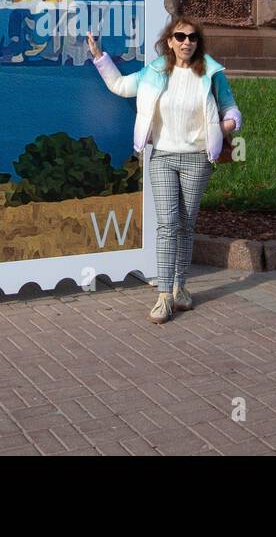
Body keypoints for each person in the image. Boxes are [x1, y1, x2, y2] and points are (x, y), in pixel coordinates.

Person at [88, 17, 241, 324]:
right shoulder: (154, 72)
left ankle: (180, 288)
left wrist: (224, 126)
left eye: (192, 38)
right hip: (162, 157)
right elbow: (120, 86)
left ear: (198, 44)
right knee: (168, 224)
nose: (186, 42)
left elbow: (232, 109)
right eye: (180, 36)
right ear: (170, 41)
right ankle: (162, 296)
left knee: (186, 224)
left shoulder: (211, 74)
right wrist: (99, 57)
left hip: (197, 159)